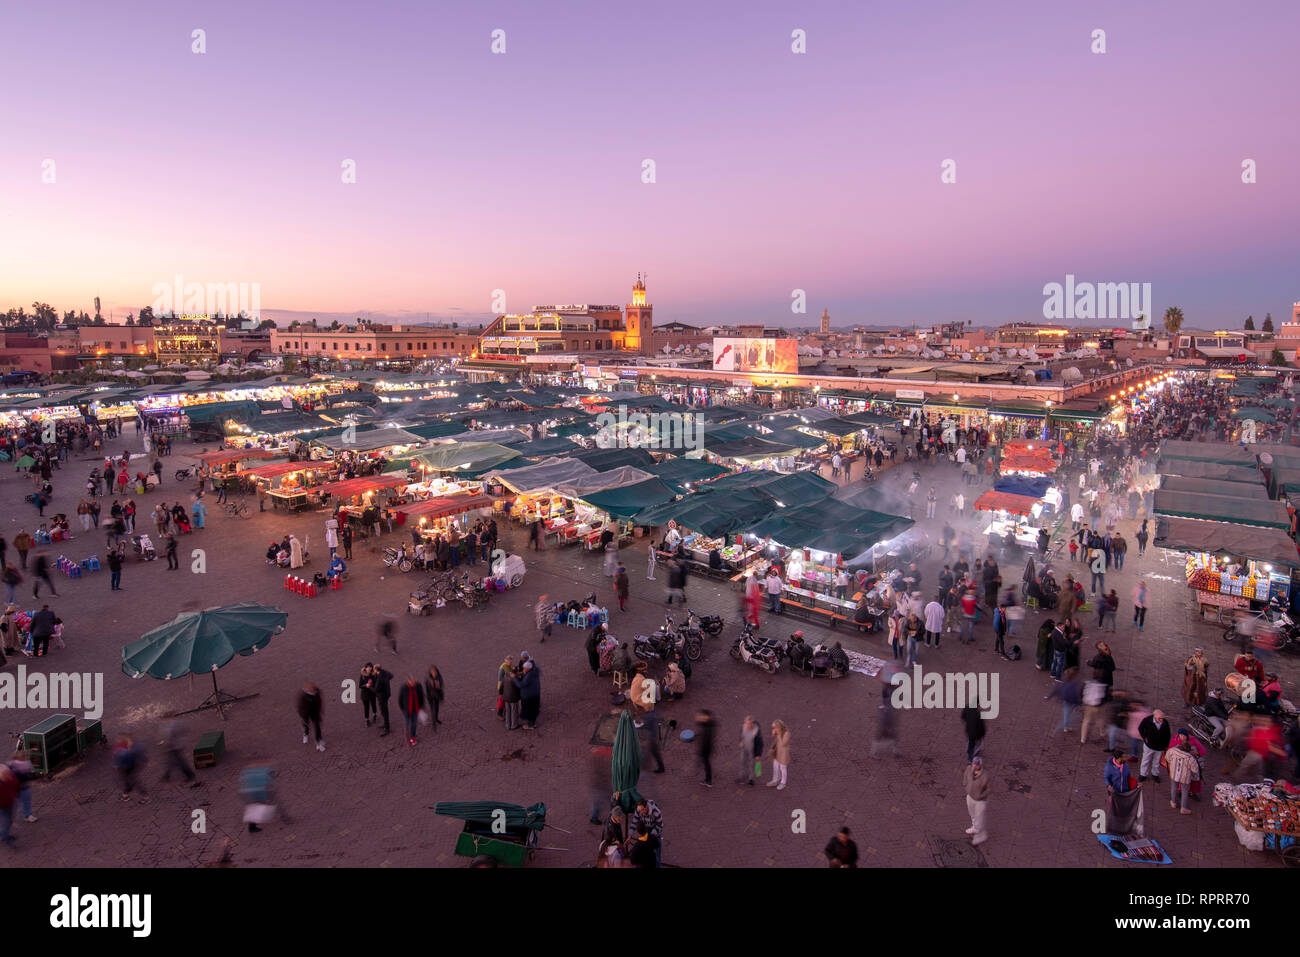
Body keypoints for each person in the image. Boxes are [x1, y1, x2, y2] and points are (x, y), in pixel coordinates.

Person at [159, 718, 200, 788]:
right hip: (174, 748)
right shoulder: (171, 726)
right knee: (171, 762)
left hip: (174, 748)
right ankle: (167, 775)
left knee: (179, 763)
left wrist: (164, 744)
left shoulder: (171, 727)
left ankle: (190, 776)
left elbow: (169, 738)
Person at [1165, 736, 1197, 815]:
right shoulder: (1190, 758)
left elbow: (1167, 758)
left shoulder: (1172, 751)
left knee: (1174, 787)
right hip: (1184, 777)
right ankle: (1183, 808)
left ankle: (1173, 802)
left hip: (1174, 773)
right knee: (1185, 791)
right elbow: (1195, 769)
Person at [111, 736, 149, 802]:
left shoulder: (126, 752)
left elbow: (123, 762)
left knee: (133, 781)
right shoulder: (139, 745)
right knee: (128, 781)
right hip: (134, 766)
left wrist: (118, 766)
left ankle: (145, 797)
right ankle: (125, 795)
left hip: (129, 767)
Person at [1137, 708, 1170, 783]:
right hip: (1149, 746)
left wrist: (1166, 745)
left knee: (1157, 761)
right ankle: (1143, 774)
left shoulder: (1165, 722)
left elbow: (1168, 734)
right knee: (1146, 760)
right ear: (1154, 716)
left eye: (1162, 718)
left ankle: (1155, 774)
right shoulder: (1147, 720)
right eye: (1159, 718)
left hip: (1160, 747)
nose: (1161, 720)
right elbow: (1140, 728)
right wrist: (1144, 737)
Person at [963, 757, 990, 846]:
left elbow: (989, 789)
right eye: (974, 764)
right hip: (970, 797)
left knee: (979, 818)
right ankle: (975, 827)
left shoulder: (985, 776)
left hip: (980, 801)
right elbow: (965, 777)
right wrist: (965, 785)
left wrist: (981, 796)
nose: (975, 766)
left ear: (980, 765)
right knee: (972, 814)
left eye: (977, 765)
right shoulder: (968, 769)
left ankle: (980, 836)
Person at [397, 676, 426, 746]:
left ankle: (412, 737)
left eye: (414, 681)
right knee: (407, 724)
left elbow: (421, 696)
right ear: (408, 681)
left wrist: (421, 706)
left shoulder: (418, 686)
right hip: (407, 710)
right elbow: (400, 699)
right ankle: (407, 737)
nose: (413, 683)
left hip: (415, 709)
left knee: (414, 723)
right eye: (412, 682)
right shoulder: (404, 687)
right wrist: (403, 709)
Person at [297, 682, 325, 752]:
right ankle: (306, 734)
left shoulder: (317, 693)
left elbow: (319, 702)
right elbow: (300, 707)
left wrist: (319, 712)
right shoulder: (304, 696)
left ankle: (318, 742)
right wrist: (303, 715)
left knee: (317, 727)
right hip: (306, 713)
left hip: (314, 712)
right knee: (306, 724)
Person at [514, 659, 541, 729]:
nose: (523, 669)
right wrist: (523, 673)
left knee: (529, 710)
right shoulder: (534, 672)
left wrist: (514, 678)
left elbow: (521, 685)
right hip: (535, 694)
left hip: (529, 696)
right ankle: (532, 723)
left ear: (528, 668)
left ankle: (530, 725)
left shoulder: (529, 676)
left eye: (524, 668)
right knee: (534, 709)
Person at [766, 719, 791, 790]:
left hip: (783, 754)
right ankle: (775, 780)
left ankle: (783, 782)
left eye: (775, 727)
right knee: (775, 767)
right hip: (777, 752)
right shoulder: (778, 732)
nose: (774, 729)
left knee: (782, 768)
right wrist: (774, 734)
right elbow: (776, 741)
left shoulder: (787, 733)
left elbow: (783, 743)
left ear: (779, 727)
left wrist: (778, 734)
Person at [739, 716, 762, 786]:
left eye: (749, 724)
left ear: (752, 723)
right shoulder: (743, 727)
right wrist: (741, 742)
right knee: (742, 762)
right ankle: (742, 777)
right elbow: (741, 735)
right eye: (746, 723)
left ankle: (751, 779)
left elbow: (759, 744)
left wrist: (758, 754)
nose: (747, 725)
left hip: (752, 750)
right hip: (744, 748)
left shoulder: (756, 731)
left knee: (751, 764)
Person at [695, 709, 715, 787]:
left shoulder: (707, 729)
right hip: (707, 749)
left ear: (707, 717)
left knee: (706, 764)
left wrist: (701, 752)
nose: (701, 717)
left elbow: (705, 742)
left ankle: (708, 781)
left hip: (705, 750)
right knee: (706, 763)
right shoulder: (709, 724)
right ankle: (708, 778)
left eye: (703, 716)